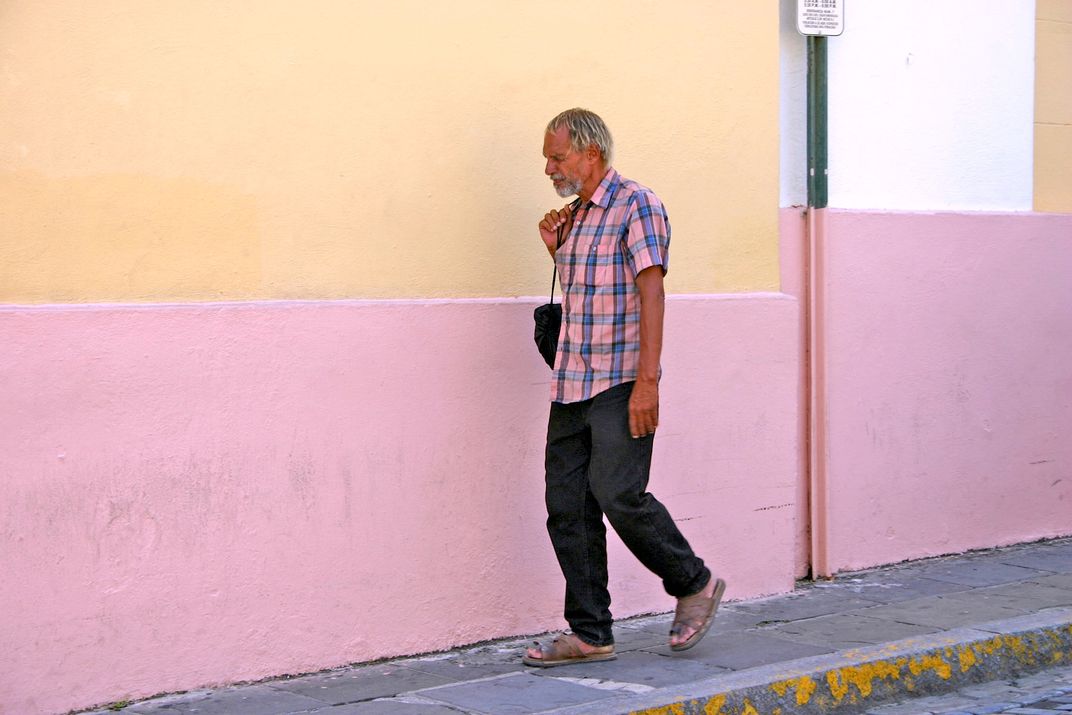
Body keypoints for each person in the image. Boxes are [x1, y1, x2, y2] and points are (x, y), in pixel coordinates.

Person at [523, 108, 726, 668]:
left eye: (557, 155)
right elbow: (589, 295)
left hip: (619, 379)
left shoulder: (637, 203)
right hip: (571, 383)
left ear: (592, 153)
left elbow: (650, 294)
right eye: (547, 156)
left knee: (618, 493)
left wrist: (648, 382)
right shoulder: (575, 217)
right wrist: (554, 249)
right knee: (566, 507)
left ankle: (694, 582)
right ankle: (590, 633)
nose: (548, 167)